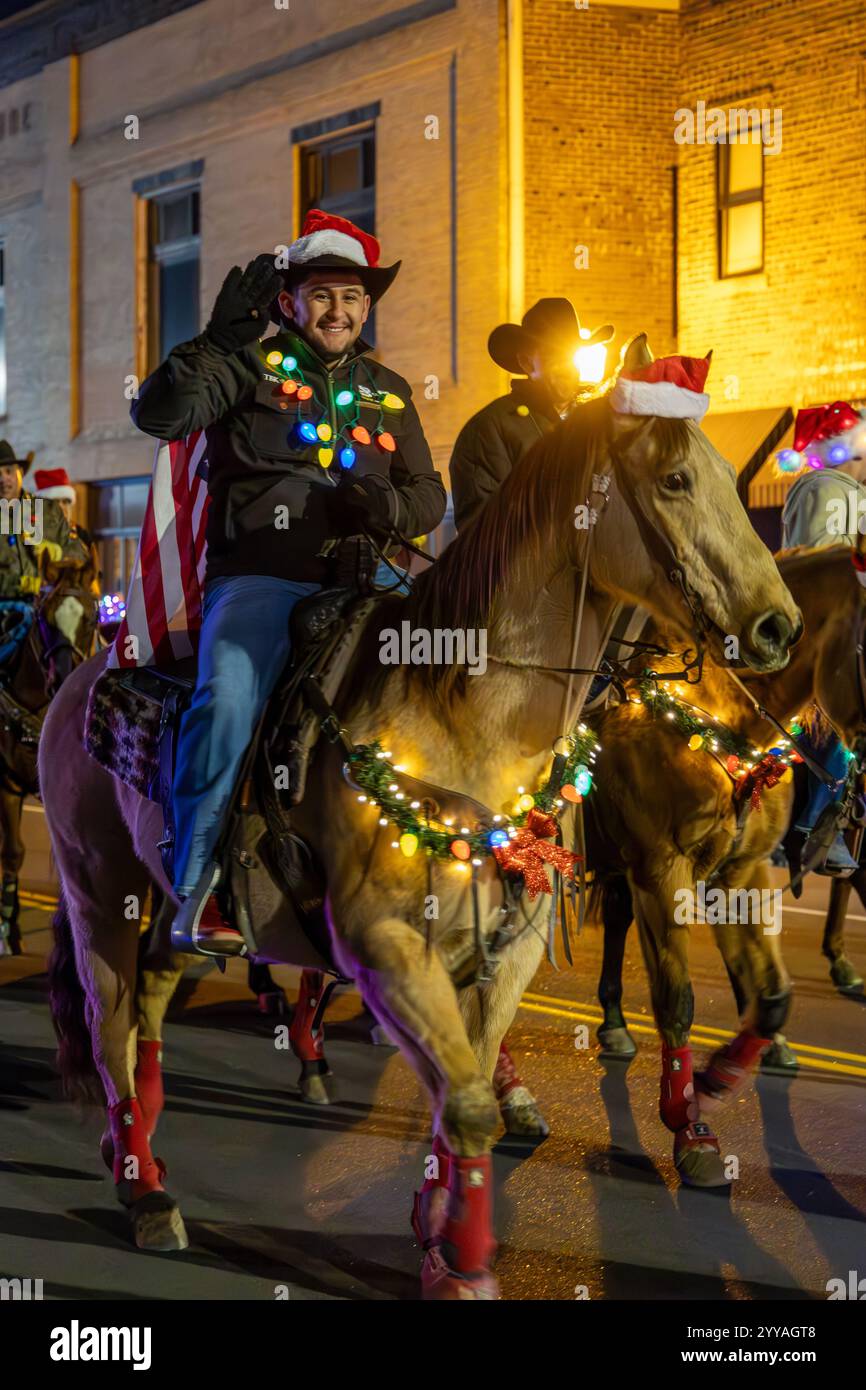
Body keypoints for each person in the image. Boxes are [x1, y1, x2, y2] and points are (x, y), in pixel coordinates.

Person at [131, 210, 446, 954]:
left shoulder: (390, 390)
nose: (340, 311)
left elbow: (430, 492)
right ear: (290, 301)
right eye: (323, 295)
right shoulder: (246, 367)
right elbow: (157, 414)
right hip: (263, 582)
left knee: (450, 680)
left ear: (368, 307)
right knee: (230, 700)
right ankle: (197, 882)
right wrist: (215, 343)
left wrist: (391, 506)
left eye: (353, 298)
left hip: (370, 583)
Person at [781, 402, 866, 874]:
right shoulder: (829, 490)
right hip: (824, 627)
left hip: (848, 620)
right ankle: (812, 825)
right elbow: (821, 561)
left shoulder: (850, 491)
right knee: (843, 716)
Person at [449, 298, 613, 530]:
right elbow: (483, 535)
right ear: (526, 363)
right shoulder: (488, 430)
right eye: (554, 356)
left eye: (571, 355)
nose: (567, 367)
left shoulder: (597, 423)